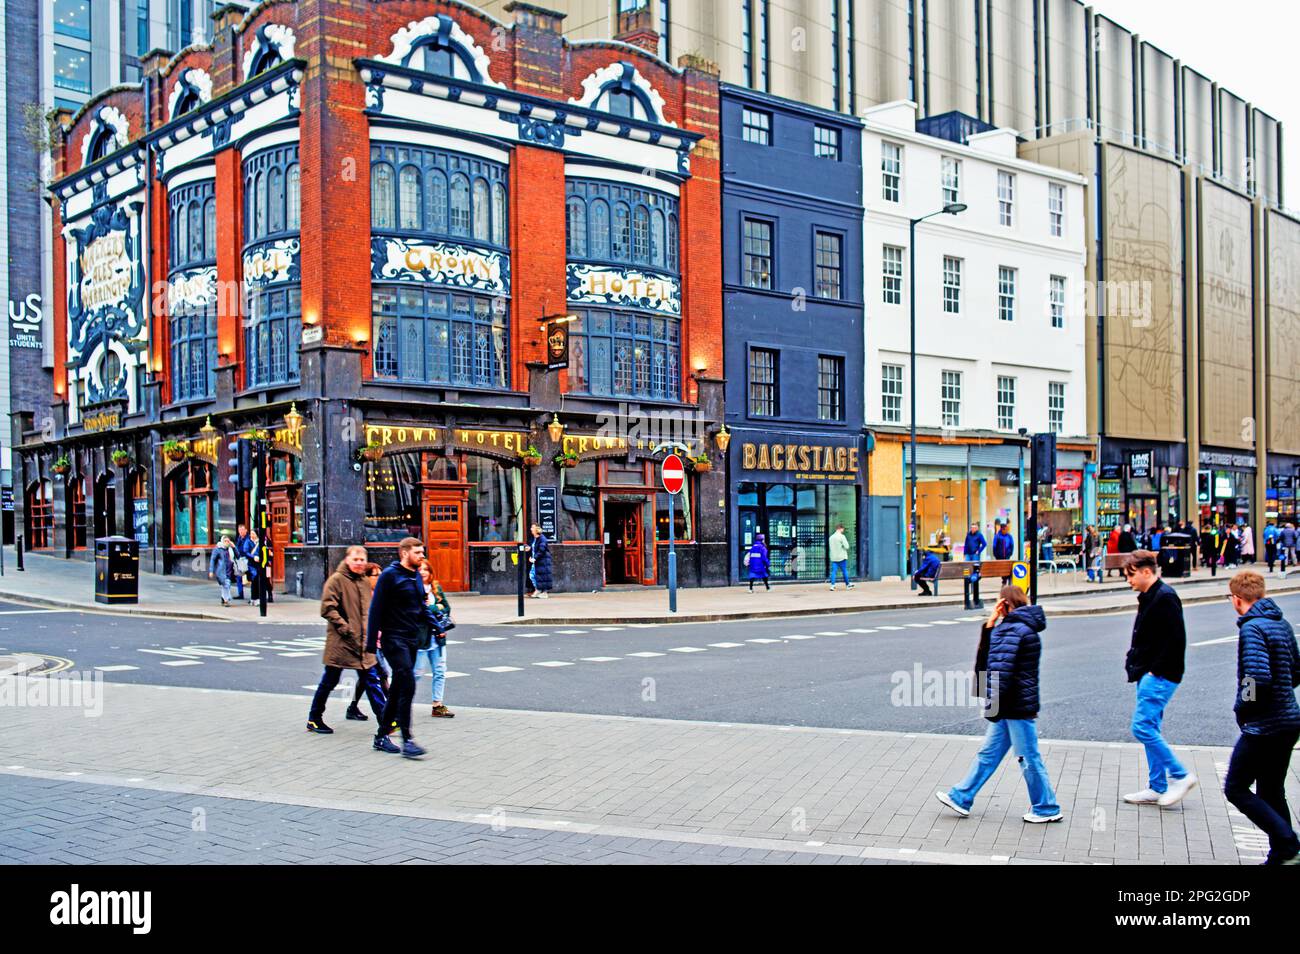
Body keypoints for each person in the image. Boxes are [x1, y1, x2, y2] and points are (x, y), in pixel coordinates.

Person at [934, 586, 1063, 823]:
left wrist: (991, 705)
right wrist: (989, 626)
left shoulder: (1016, 631)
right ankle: (962, 797)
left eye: (997, 602)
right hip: (1009, 705)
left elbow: (999, 672)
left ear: (1005, 603)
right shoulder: (1012, 629)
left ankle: (1046, 807)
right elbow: (989, 660)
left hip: (1014, 706)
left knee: (1028, 758)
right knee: (988, 754)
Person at [1224, 570, 1300, 865]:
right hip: (1289, 720)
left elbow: (1256, 678)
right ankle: (1283, 854)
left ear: (1238, 599)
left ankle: (1288, 842)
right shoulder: (1280, 623)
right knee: (1270, 789)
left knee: (1236, 787)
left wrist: (1244, 708)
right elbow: (1296, 671)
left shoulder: (1252, 628)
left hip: (1264, 725)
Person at [1121, 550, 1198, 807]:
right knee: (1150, 728)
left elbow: (1176, 639)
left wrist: (1155, 670)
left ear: (1146, 571)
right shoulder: (1150, 595)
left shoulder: (1164, 597)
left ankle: (1181, 775)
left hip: (1159, 674)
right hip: (1148, 672)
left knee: (1141, 727)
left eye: (1130, 575)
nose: (1127, 580)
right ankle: (1157, 787)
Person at [308, 546, 387, 734]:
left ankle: (386, 721)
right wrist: (345, 628)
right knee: (330, 680)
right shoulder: (336, 580)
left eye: (362, 559)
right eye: (356, 559)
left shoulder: (364, 582)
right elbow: (327, 608)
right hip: (341, 642)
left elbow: (369, 611)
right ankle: (314, 718)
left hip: (362, 644)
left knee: (371, 680)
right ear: (348, 559)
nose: (359, 563)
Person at [365, 537, 432, 759]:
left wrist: (436, 624)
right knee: (407, 684)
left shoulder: (414, 576)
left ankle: (381, 735)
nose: (422, 556)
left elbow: (420, 606)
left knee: (396, 689)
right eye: (418, 553)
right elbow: (375, 610)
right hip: (393, 639)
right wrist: (370, 644)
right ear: (404, 553)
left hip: (410, 639)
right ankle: (408, 739)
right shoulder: (389, 576)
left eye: (422, 553)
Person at [414, 560, 455, 719]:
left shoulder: (436, 588)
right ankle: (402, 703)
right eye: (420, 569)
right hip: (421, 637)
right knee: (416, 673)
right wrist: (434, 607)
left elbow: (447, 608)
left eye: (426, 569)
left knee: (440, 671)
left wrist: (433, 607)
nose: (423, 572)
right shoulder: (414, 589)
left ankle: (437, 705)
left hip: (437, 637)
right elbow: (419, 611)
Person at [207, 534, 236, 607]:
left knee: (226, 586)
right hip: (221, 571)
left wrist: (234, 547)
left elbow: (238, 556)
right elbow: (213, 560)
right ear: (222, 541)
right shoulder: (218, 549)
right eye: (225, 541)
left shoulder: (230, 549)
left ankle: (223, 599)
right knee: (226, 585)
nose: (227, 542)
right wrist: (211, 570)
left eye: (228, 541)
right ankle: (226, 600)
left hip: (230, 570)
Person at [528, 523, 553, 598]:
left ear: (537, 529)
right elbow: (534, 547)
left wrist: (534, 558)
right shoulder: (535, 538)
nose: (531, 529)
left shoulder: (542, 538)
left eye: (532, 527)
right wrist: (529, 548)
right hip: (537, 561)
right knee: (533, 575)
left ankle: (544, 593)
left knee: (543, 576)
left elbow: (541, 550)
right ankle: (538, 590)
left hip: (543, 561)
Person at [827, 524, 853, 590]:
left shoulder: (831, 537)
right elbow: (847, 546)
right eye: (843, 529)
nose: (843, 530)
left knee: (834, 571)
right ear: (840, 529)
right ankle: (847, 585)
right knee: (844, 571)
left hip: (834, 557)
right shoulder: (842, 536)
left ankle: (832, 585)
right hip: (841, 557)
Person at [233, 523, 253, 602]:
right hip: (240, 560)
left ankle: (253, 596)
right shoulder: (239, 538)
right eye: (239, 530)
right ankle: (240, 594)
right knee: (239, 577)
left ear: (246, 530)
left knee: (250, 578)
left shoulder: (248, 538)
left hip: (248, 560)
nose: (240, 532)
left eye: (242, 530)